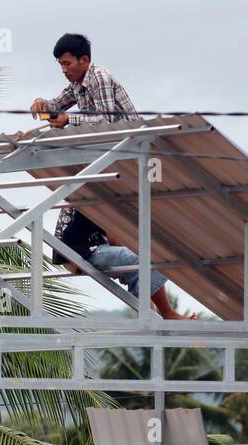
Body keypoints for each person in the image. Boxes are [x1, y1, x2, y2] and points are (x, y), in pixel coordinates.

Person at [28, 33, 192, 321]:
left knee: (139, 250)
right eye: (61, 66)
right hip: (102, 184)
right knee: (136, 253)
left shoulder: (100, 77)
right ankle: (158, 311)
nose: (64, 70)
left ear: (85, 60)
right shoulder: (77, 86)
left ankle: (156, 310)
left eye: (67, 64)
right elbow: (58, 104)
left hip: (126, 150)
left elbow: (107, 121)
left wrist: (70, 120)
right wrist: (44, 105)